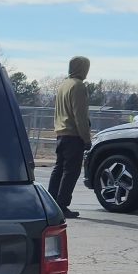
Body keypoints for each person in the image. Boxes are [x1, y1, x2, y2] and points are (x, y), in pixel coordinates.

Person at [47, 56, 93, 217]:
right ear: (82, 68)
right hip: (73, 135)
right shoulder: (78, 86)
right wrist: (86, 138)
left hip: (60, 133)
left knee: (59, 169)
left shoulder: (63, 85)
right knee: (71, 171)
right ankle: (62, 205)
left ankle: (51, 203)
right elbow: (79, 114)